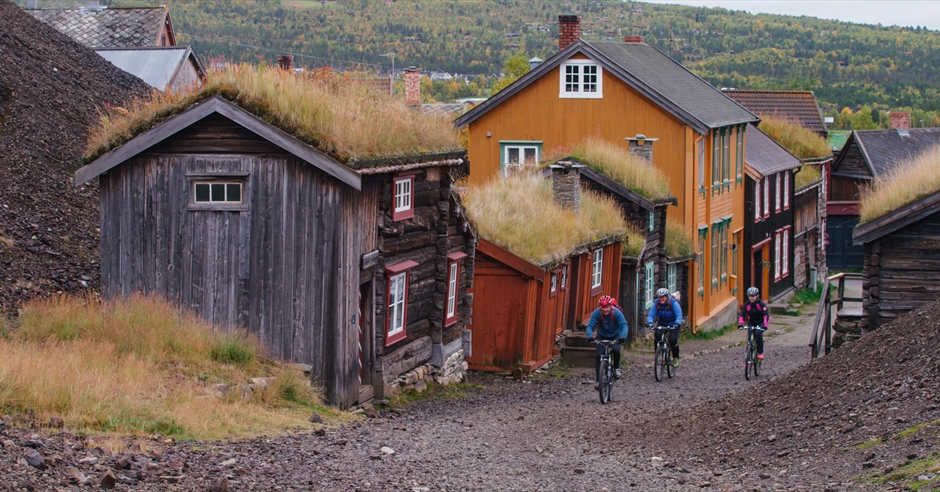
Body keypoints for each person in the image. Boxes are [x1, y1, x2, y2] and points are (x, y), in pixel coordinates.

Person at [586, 295, 628, 388]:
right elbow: (590, 325)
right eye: (603, 307)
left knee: (616, 350)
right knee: (598, 355)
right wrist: (590, 336)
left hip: (615, 335)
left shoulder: (616, 313)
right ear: (600, 307)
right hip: (602, 335)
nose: (605, 310)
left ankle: (616, 368)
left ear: (610, 306)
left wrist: (622, 337)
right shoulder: (597, 313)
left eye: (607, 307)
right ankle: (598, 380)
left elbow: (624, 325)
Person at [646, 287, 683, 367]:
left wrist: (677, 323)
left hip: (673, 323)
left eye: (663, 297)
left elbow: (679, 314)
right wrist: (650, 322)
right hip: (662, 322)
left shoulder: (673, 303)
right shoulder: (657, 303)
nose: (661, 299)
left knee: (672, 340)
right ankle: (659, 355)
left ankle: (675, 358)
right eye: (660, 297)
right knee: (657, 335)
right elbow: (651, 314)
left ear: (666, 296)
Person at [738, 286, 769, 360]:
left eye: (753, 296)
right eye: (750, 296)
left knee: (758, 334)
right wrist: (740, 324)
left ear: (757, 296)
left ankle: (760, 352)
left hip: (761, 322)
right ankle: (748, 356)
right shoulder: (747, 304)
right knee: (750, 339)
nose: (751, 298)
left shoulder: (761, 304)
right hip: (751, 322)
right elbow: (742, 314)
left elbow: (766, 315)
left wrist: (765, 325)